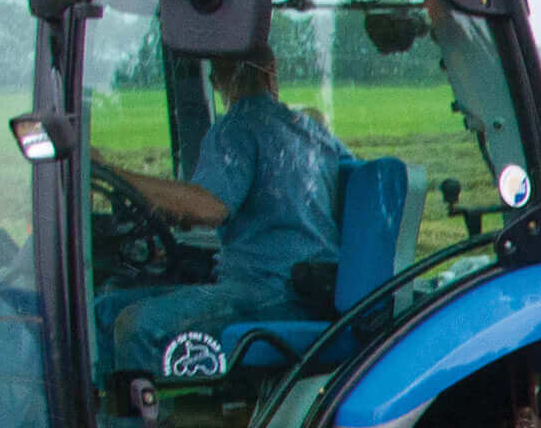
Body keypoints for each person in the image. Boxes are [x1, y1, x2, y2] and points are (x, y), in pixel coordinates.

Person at [95, 45, 350, 373]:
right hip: (315, 290)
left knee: (137, 326)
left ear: (215, 81)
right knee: (105, 311)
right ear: (272, 71)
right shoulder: (313, 131)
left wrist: (110, 171)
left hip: (271, 291)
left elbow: (208, 207)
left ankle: (153, 408)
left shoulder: (238, 126)